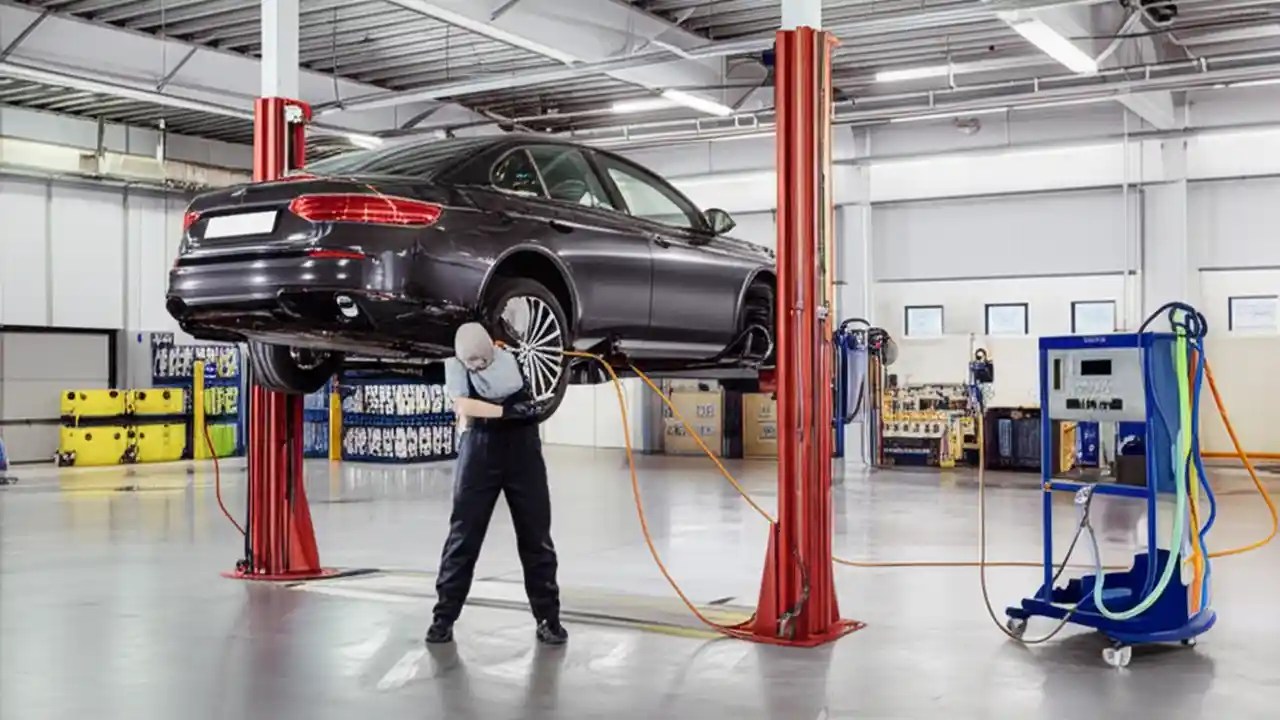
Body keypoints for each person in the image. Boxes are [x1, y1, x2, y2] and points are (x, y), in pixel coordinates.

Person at [426, 322, 567, 646]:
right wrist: (506, 411)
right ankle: (443, 618)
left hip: (523, 449)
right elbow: (463, 405)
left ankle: (548, 618)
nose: (478, 366)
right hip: (480, 448)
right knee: (463, 537)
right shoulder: (455, 362)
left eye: (483, 360)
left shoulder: (513, 355)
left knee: (536, 536)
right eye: (472, 362)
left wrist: (528, 409)